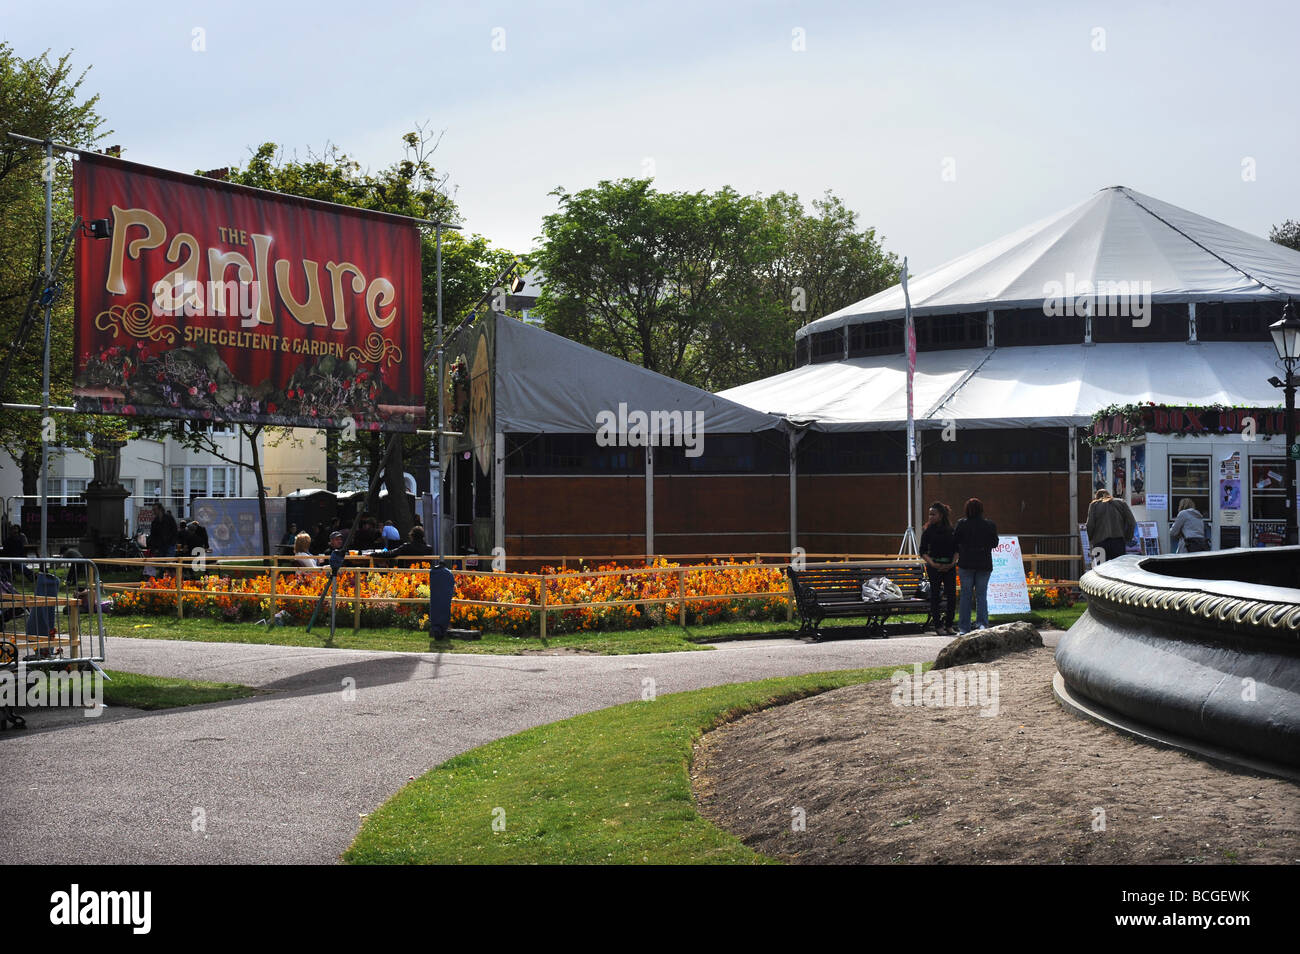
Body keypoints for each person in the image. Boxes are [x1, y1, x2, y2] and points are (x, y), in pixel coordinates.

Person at [952, 497, 999, 635]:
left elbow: (955, 541)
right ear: (981, 510)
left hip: (966, 563)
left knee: (965, 596)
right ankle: (982, 624)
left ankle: (964, 628)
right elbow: (995, 543)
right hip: (984, 563)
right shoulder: (990, 525)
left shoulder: (961, 524)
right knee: (981, 595)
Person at [919, 501, 957, 636]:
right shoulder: (928, 531)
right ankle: (938, 625)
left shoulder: (951, 530)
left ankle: (949, 625)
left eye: (933, 514)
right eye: (929, 514)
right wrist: (933, 564)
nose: (930, 517)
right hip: (934, 567)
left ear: (941, 515)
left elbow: (957, 549)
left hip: (949, 567)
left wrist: (952, 563)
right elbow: (922, 551)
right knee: (935, 596)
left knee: (951, 595)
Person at [1086, 489, 1136, 562]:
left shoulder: (1094, 505)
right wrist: (1127, 538)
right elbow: (1131, 522)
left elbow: (1090, 525)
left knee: (1101, 570)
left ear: (1097, 497)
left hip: (1099, 543)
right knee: (1118, 570)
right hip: (1118, 542)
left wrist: (1090, 540)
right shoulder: (1121, 503)